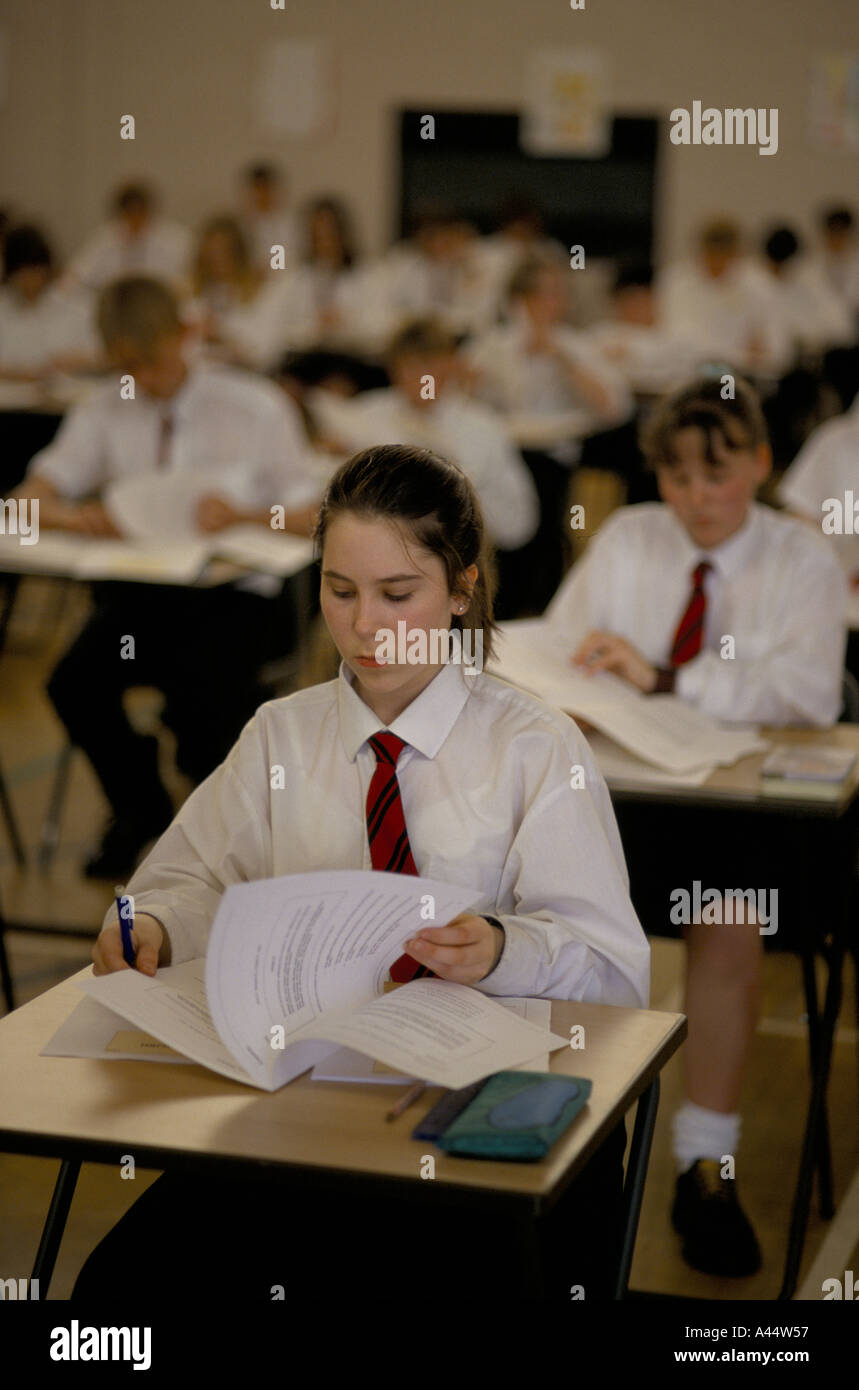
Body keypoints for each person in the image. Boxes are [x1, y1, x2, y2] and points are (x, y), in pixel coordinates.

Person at [71, 443, 649, 1301]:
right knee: (118, 1288)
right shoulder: (280, 733)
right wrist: (153, 924)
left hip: (466, 1112)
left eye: (398, 594)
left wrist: (499, 948)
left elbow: (614, 971)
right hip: (300, 1100)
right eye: (339, 592)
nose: (367, 625)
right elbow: (188, 881)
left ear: (461, 591)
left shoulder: (532, 747)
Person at [545, 376, 846, 1277]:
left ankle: (700, 1164)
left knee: (729, 918)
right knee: (548, 908)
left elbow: (809, 693)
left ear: (760, 464)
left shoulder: (801, 559)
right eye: (676, 479)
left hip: (736, 811)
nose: (697, 499)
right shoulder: (631, 537)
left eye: (717, 477)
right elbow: (559, 648)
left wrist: (665, 681)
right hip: (626, 795)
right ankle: (569, 1139)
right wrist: (582, 685)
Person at [15, 275, 320, 879]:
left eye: (151, 361)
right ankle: (142, 806)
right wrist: (70, 515)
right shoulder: (105, 406)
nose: (143, 379)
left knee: (204, 696)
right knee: (74, 682)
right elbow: (28, 497)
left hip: (236, 599)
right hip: (143, 601)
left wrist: (244, 514)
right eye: (126, 366)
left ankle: (217, 844)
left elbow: (314, 516)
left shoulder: (253, 405)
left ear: (185, 335)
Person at [312, 317, 540, 616]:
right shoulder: (368, 415)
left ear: (451, 368)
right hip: (372, 559)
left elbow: (519, 525)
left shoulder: (483, 428)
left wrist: (464, 484)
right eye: (410, 369)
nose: (422, 380)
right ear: (393, 371)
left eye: (431, 368)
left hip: (449, 564)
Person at [465, 255, 630, 609]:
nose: (555, 302)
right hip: (505, 451)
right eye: (544, 294)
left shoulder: (576, 345)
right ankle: (505, 604)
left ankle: (537, 605)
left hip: (554, 455)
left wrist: (561, 358)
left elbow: (613, 407)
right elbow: (462, 394)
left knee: (545, 505)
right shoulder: (496, 344)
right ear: (520, 300)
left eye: (558, 294)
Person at [659, 219, 789, 377]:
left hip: (741, 376)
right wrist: (738, 354)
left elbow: (778, 351)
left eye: (724, 254)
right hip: (687, 373)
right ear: (701, 251)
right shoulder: (677, 281)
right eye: (711, 254)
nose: (717, 261)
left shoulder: (759, 284)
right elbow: (673, 339)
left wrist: (742, 357)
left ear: (736, 253)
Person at [188, 214, 293, 370]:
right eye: (211, 254)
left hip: (246, 378)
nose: (217, 261)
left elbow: (266, 354)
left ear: (239, 254)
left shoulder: (261, 295)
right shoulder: (194, 297)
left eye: (223, 253)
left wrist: (222, 337)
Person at [0, 224, 98, 379]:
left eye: (36, 272)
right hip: (11, 398)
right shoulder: (4, 306)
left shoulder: (76, 304)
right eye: (23, 274)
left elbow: (104, 356)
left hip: (67, 395)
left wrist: (74, 361)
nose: (30, 281)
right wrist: (20, 374)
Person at [62, 182, 191, 294]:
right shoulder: (105, 239)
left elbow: (190, 278)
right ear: (121, 214)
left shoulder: (176, 238)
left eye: (140, 213)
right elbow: (74, 277)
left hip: (161, 303)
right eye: (130, 214)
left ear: (149, 211)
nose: (135, 220)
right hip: (116, 305)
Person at [239, 161, 299, 275]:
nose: (261, 195)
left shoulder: (285, 224)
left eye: (265, 189)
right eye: (257, 189)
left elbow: (281, 262)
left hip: (279, 281)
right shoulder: (243, 224)